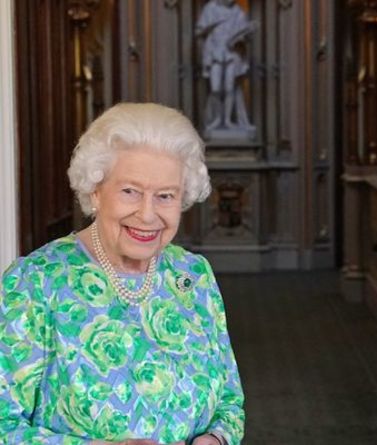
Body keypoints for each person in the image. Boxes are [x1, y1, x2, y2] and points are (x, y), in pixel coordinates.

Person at [0, 103, 245, 444]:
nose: (147, 215)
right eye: (130, 191)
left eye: (165, 196)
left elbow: (230, 402)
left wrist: (216, 439)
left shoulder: (193, 275)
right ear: (95, 190)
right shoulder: (35, 282)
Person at [195, 0, 256, 132]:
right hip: (215, 52)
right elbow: (198, 31)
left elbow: (245, 35)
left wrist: (241, 38)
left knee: (230, 88)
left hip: (232, 54)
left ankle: (227, 120)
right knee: (216, 88)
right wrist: (209, 27)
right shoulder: (210, 8)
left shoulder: (238, 11)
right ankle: (216, 119)